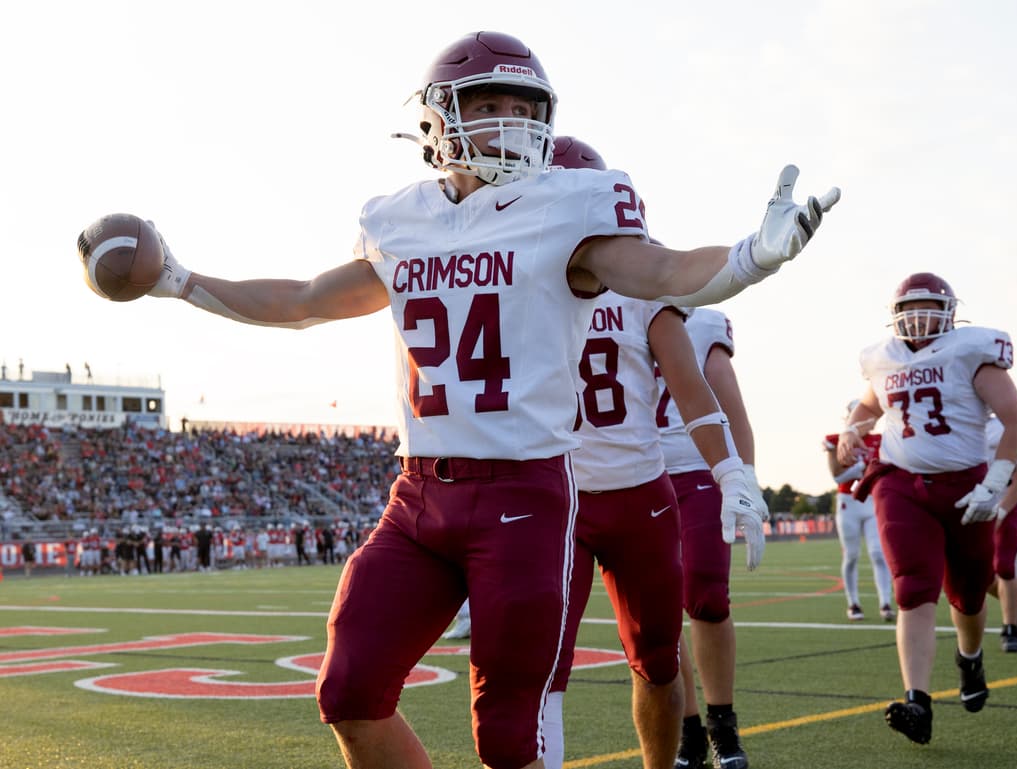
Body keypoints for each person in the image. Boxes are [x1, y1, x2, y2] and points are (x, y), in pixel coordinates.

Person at [116, 31, 838, 769]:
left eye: (525, 108)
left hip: (523, 495)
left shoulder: (565, 206)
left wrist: (751, 256)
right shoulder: (402, 220)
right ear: (438, 120)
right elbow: (303, 300)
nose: (512, 123)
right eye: (490, 105)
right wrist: (183, 281)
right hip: (418, 496)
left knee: (510, 737)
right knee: (349, 689)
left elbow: (662, 270)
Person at [540, 137, 766, 769]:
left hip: (640, 486)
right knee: (538, 663)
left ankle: (704, 735)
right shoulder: (513, 284)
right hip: (551, 493)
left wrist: (734, 473)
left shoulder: (646, 290)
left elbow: (698, 392)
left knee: (659, 657)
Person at [837, 272, 1017, 745]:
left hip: (965, 484)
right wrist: (852, 429)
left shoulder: (971, 352)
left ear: (951, 312)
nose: (918, 317)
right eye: (908, 308)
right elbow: (869, 407)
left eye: (929, 307)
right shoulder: (883, 358)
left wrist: (996, 481)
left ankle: (970, 658)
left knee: (969, 593)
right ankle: (917, 702)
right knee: (912, 587)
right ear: (894, 315)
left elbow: (1015, 421)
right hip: (900, 481)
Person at [657, 307, 766, 769]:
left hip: (697, 467)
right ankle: (687, 727)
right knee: (656, 608)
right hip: (632, 471)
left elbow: (728, 401)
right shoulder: (596, 311)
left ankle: (722, 722)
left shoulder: (699, 322)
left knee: (707, 594)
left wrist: (747, 475)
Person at [824, 400, 895, 622]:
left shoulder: (881, 440)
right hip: (849, 502)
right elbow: (837, 477)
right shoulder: (837, 440)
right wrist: (860, 468)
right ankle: (853, 603)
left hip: (872, 501)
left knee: (878, 553)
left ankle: (885, 602)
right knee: (852, 555)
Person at [982, 415, 1017, 652]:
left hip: (1003, 503)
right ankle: (1016, 600)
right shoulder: (955, 423)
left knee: (1005, 566)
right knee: (974, 573)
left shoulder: (1001, 427)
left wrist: (1001, 512)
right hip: (968, 504)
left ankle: (1010, 627)